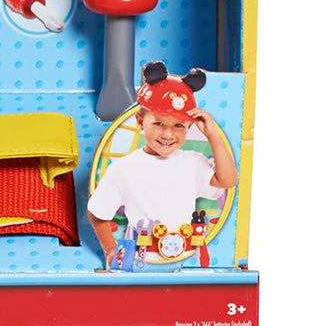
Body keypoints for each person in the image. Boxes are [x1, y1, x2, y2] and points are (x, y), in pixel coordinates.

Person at [88, 61, 239, 267]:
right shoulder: (123, 169)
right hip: (140, 259)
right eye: (159, 123)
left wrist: (213, 135)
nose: (168, 135)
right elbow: (97, 212)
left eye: (178, 126)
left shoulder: (192, 162)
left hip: (186, 258)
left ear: (189, 127)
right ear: (140, 122)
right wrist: (110, 249)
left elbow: (228, 181)